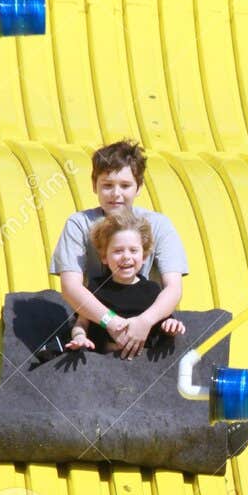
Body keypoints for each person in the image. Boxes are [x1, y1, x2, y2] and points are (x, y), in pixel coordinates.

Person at [51, 139, 188, 359]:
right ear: (94, 185)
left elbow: (173, 288)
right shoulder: (78, 224)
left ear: (139, 187)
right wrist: (111, 322)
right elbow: (70, 286)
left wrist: (144, 322)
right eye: (107, 185)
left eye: (125, 186)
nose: (116, 194)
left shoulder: (160, 225)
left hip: (146, 320)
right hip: (96, 319)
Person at [65, 210, 186, 352]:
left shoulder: (151, 290)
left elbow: (163, 323)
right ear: (104, 257)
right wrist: (79, 337)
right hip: (101, 362)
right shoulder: (96, 288)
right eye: (118, 251)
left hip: (140, 365)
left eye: (133, 250)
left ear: (144, 256)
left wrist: (171, 326)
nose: (126, 257)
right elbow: (81, 323)